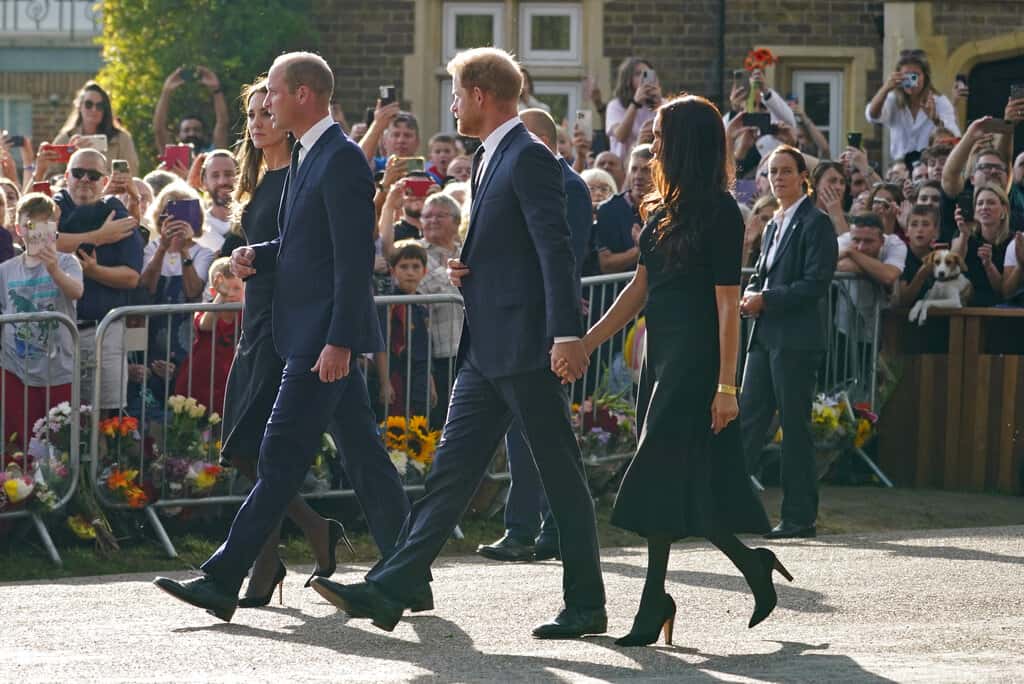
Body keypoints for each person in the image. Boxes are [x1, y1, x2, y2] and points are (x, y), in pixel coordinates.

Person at [310, 47, 606, 639]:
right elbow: (516, 247)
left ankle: (587, 604)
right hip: (487, 346)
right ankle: (392, 589)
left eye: (454, 93)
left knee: (560, 475)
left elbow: (557, 253)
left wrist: (567, 334)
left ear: (478, 95)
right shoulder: (495, 157)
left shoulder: (530, 157)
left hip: (526, 347)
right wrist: (479, 269)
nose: (450, 105)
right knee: (449, 476)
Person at [153, 52, 425, 621]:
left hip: (322, 340)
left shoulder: (342, 158)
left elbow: (353, 260)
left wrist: (342, 341)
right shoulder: (308, 155)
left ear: (303, 94)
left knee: (279, 457)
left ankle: (224, 579)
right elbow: (310, 245)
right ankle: (412, 578)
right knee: (366, 457)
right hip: (311, 333)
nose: (267, 103)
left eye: (274, 92)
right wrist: (262, 254)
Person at [566, 95, 779, 647]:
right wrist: (587, 343)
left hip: (698, 362)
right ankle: (748, 565)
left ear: (684, 142)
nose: (653, 145)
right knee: (681, 482)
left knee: (660, 472)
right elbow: (637, 291)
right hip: (660, 357)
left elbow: (728, 306)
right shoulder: (661, 212)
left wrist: (727, 386)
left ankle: (654, 599)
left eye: (660, 136)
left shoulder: (722, 212)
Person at [477, 106, 593, 564]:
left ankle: (546, 529)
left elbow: (565, 257)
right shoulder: (513, 171)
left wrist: (560, 331)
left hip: (544, 327)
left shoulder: (569, 186)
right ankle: (525, 526)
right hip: (513, 328)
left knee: (543, 437)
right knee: (522, 435)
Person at [740, 145, 838, 539]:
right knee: (747, 419)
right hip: (765, 335)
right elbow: (761, 275)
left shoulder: (816, 223)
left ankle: (799, 517)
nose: (778, 178)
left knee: (794, 429)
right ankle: (728, 507)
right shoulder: (774, 223)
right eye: (773, 172)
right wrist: (749, 295)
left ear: (803, 178)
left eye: (785, 171)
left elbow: (814, 284)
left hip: (796, 339)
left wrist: (767, 299)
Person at [54, 149, 144, 415]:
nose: (84, 179)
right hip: (57, 334)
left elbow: (131, 277)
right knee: (59, 416)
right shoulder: (53, 206)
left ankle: (108, 458)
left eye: (93, 175)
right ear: (66, 176)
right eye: (78, 173)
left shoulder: (116, 212)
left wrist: (92, 271)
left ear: (104, 182)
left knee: (107, 416)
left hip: (103, 332)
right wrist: (100, 236)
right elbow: (39, 242)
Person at [0, 193, 83, 448]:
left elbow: (76, 291)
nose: (36, 233)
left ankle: (58, 486)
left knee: (60, 441)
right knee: (18, 440)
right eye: (30, 225)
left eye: (44, 226)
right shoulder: (5, 270)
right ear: (19, 228)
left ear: (54, 229)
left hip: (59, 368)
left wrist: (54, 269)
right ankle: (17, 486)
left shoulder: (68, 262)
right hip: (16, 367)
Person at [373, 241, 434, 419]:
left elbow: (426, 346)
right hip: (396, 373)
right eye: (404, 267)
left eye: (416, 267)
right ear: (393, 271)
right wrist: (385, 383)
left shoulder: (424, 303)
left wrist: (430, 381)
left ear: (424, 271)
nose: (410, 272)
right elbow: (381, 344)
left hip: (420, 376)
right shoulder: (388, 303)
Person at [865, 50, 960, 162]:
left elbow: (953, 136)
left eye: (915, 75)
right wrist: (885, 89)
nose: (910, 80)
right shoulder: (893, 99)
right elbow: (873, 116)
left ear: (925, 77)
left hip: (929, 163)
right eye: (906, 75)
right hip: (900, 164)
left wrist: (935, 119)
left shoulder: (939, 101)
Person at [51, 82, 140, 175]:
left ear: (105, 110)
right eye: (88, 104)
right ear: (80, 106)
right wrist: (74, 157)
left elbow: (130, 174)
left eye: (99, 106)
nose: (94, 109)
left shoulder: (121, 139)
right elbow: (52, 176)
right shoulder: (66, 139)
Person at [595, 144, 652, 274]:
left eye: (646, 170)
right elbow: (606, 264)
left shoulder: (668, 210)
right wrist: (639, 251)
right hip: (617, 292)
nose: (638, 176)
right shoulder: (607, 210)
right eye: (634, 169)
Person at [952, 183, 1011, 306]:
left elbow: (1004, 292)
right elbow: (953, 265)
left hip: (1002, 307)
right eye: (980, 203)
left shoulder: (1013, 241)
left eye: (991, 202)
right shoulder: (965, 234)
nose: (984, 207)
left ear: (1004, 209)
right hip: (967, 304)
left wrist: (989, 265)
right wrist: (964, 235)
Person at [152, 66, 230, 153]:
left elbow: (222, 123)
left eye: (196, 130)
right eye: (186, 130)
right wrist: (166, 91)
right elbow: (159, 129)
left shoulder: (213, 155)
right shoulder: (173, 156)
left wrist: (216, 89)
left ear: (204, 134)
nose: (191, 134)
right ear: (179, 135)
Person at [605, 57, 663, 161]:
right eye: (637, 74)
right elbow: (620, 136)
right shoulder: (615, 105)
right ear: (627, 80)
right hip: (624, 165)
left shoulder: (664, 104)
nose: (642, 77)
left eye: (646, 74)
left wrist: (659, 103)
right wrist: (636, 103)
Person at [897, 204, 941, 307]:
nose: (920, 229)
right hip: (905, 319)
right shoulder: (900, 255)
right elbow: (903, 301)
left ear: (936, 232)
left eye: (925, 224)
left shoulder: (939, 257)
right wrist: (921, 275)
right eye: (914, 224)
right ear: (906, 231)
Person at [194, 150, 238, 253]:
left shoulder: (252, 220)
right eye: (215, 175)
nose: (222, 181)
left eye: (228, 174)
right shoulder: (197, 226)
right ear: (204, 182)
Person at [811, 161, 850, 235]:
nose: (838, 187)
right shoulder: (804, 217)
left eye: (842, 182)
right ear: (816, 184)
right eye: (832, 181)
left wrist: (838, 216)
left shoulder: (850, 220)